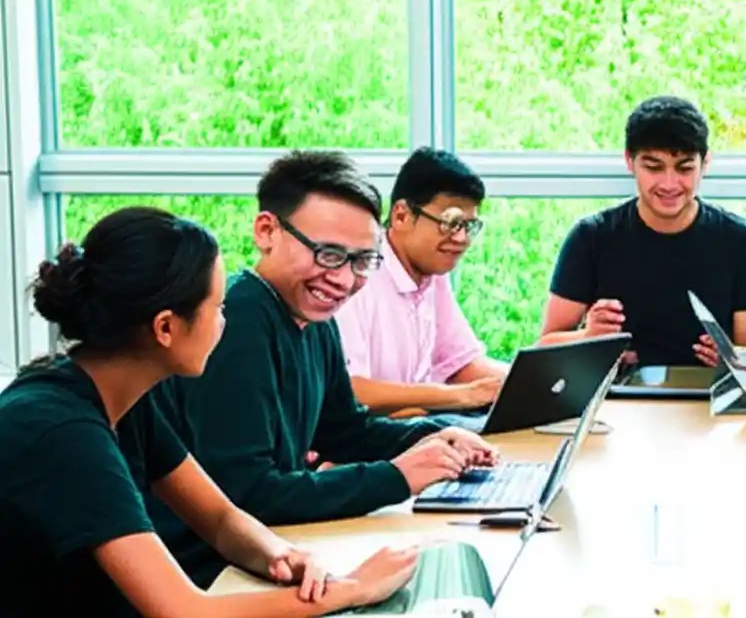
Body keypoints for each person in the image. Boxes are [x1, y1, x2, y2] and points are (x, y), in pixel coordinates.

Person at [0, 207, 422, 617]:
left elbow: (221, 519)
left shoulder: (124, 398)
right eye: (218, 307)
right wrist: (350, 591)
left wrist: (284, 557)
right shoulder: (62, 432)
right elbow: (181, 610)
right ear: (165, 328)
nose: (225, 321)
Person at [150, 151, 497, 588]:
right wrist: (396, 478)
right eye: (329, 253)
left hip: (270, 551)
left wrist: (433, 438)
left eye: (362, 261)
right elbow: (248, 494)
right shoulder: (237, 324)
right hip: (211, 573)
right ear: (266, 231)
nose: (343, 279)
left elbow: (344, 430)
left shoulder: (315, 321)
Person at [539, 95, 746, 367]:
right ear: (629, 161)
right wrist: (589, 337)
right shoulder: (591, 238)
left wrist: (734, 361)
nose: (669, 184)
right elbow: (544, 349)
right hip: (617, 403)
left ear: (705, 164)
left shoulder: (742, 241)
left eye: (685, 168)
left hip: (707, 401)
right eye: (653, 168)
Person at [335, 148, 509, 416]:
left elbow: (460, 364)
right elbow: (350, 390)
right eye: (451, 223)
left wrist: (534, 386)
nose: (462, 239)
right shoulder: (356, 274)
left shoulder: (431, 274)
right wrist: (458, 396)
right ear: (402, 215)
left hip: (411, 429)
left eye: (470, 226)